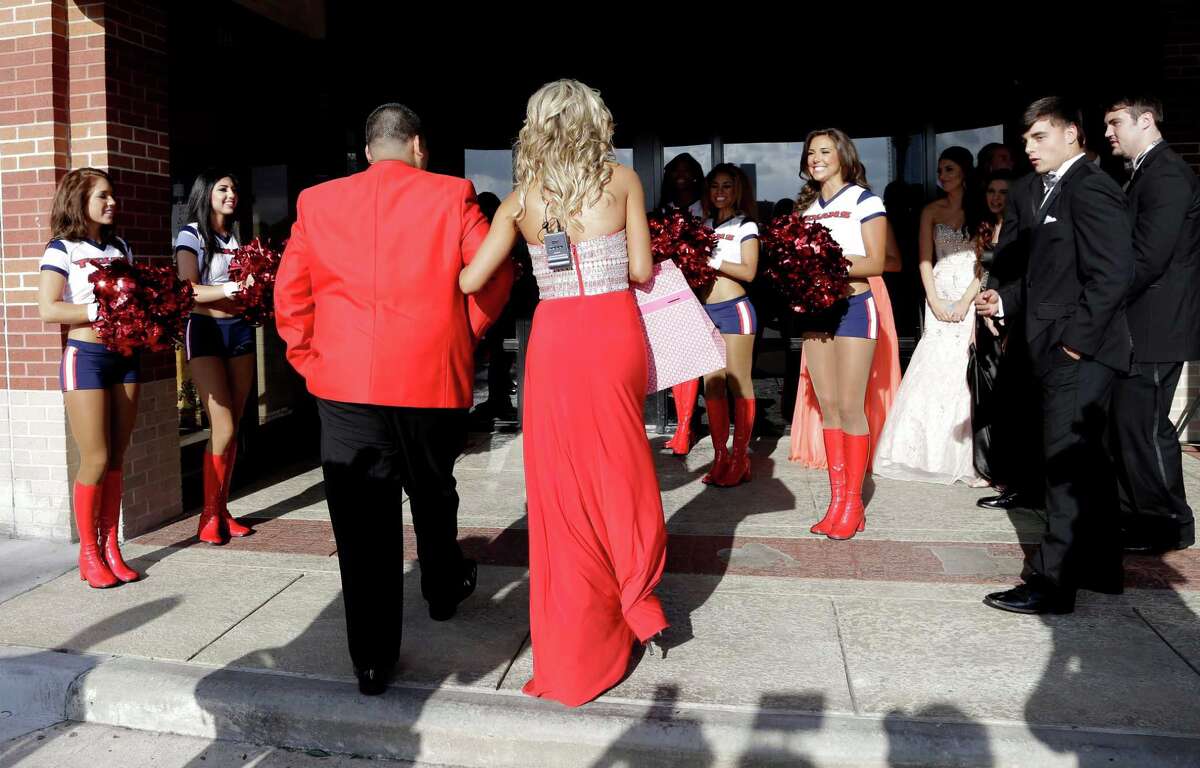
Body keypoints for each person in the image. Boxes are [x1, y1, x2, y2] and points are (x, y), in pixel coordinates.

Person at [274, 103, 513, 694]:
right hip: (430, 379)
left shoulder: (317, 202)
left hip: (346, 384)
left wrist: (312, 361)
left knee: (361, 527)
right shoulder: (452, 194)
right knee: (433, 491)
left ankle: (373, 661)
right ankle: (439, 589)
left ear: (367, 148)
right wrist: (462, 335)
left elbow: (291, 295)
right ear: (417, 146)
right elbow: (495, 273)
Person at [460, 79, 669, 707]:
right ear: (593, 121)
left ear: (537, 125)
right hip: (612, 334)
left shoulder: (521, 200)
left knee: (559, 495)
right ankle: (632, 589)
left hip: (553, 341)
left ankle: (572, 655)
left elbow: (471, 276)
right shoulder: (624, 181)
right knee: (619, 471)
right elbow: (639, 270)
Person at [977, 97, 1135, 615]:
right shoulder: (1051, 190)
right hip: (1065, 346)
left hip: (1080, 353)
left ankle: (1052, 582)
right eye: (1025, 140)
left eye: (1039, 137)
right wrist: (1005, 298)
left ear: (1072, 134)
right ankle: (1101, 570)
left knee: (1064, 468)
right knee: (1087, 465)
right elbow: (1049, 277)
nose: (1029, 148)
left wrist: (1075, 342)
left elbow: (1112, 274)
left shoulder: (1089, 188)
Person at [37, 168, 142, 588]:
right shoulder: (61, 248)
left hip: (126, 358)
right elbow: (49, 308)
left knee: (117, 456)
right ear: (78, 200)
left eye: (112, 195)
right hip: (86, 357)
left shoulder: (121, 246)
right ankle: (88, 553)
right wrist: (97, 312)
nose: (111, 202)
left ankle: (112, 546)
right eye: (102, 196)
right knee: (95, 457)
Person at [1104, 95, 1199, 553]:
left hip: (1157, 326)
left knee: (1144, 426)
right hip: (1140, 324)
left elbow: (1149, 257)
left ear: (1146, 121)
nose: (1108, 132)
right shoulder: (1145, 172)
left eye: (1115, 123)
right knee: (1129, 424)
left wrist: (1102, 297)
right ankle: (1137, 517)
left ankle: (1168, 523)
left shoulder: (1167, 174)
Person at [793, 129, 892, 541]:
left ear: (843, 156)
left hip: (855, 307)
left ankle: (853, 505)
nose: (816, 158)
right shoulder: (806, 211)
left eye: (825, 151)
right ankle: (836, 502)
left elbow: (875, 262)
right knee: (829, 406)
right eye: (811, 152)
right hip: (818, 310)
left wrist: (825, 260)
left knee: (852, 406)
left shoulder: (865, 200)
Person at [873, 147, 984, 485]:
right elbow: (924, 259)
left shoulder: (978, 208)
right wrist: (933, 299)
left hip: (969, 288)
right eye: (940, 170)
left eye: (949, 169)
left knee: (963, 366)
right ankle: (920, 452)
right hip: (937, 290)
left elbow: (983, 261)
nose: (942, 175)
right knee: (932, 362)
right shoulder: (930, 211)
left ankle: (962, 455)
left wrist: (968, 299)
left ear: (964, 171)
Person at [175, 170, 256, 544]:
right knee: (221, 426)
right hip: (205, 331)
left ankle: (223, 509)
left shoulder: (235, 237)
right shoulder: (191, 234)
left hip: (238, 330)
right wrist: (232, 287)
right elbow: (188, 290)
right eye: (223, 188)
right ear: (206, 193)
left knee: (234, 426)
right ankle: (208, 515)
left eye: (234, 189)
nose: (231, 195)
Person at [698, 163, 760, 486]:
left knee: (739, 383)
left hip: (736, 309)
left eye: (727, 186)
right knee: (712, 386)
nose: (720, 192)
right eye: (714, 187)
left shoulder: (746, 225)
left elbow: (749, 271)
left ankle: (741, 457)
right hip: (707, 311)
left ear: (737, 190)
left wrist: (714, 260)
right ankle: (720, 456)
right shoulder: (704, 225)